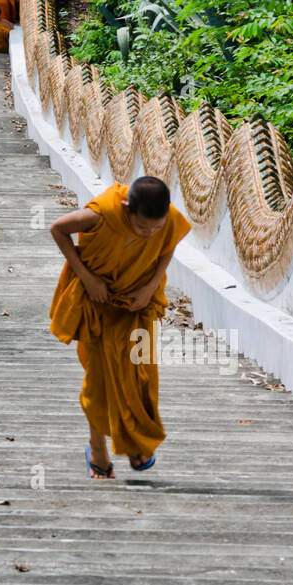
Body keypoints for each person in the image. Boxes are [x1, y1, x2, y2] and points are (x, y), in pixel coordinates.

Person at [49, 176, 191, 479]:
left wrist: (151, 287)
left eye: (156, 226)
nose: (149, 234)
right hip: (97, 303)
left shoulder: (167, 219)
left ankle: (135, 440)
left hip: (137, 304)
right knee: (100, 380)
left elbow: (168, 245)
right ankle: (97, 446)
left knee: (141, 374)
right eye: (142, 228)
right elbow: (58, 229)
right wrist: (88, 278)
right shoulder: (102, 214)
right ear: (127, 207)